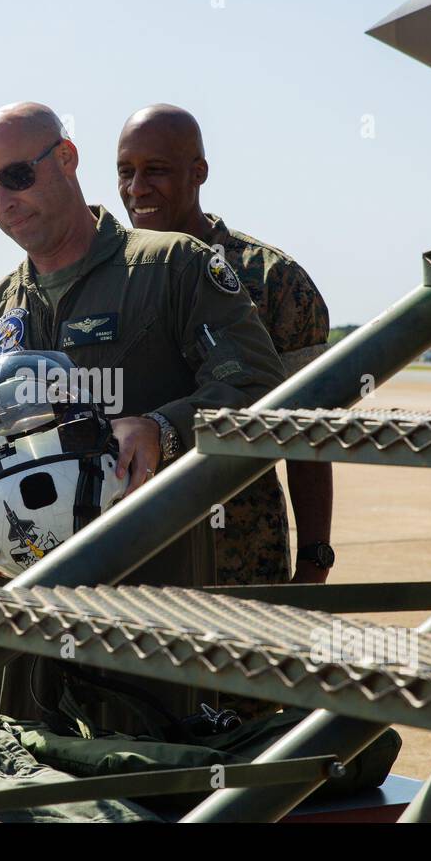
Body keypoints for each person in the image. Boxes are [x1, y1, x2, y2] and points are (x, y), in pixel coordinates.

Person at [0, 102, 287, 737]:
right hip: (28, 611)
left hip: (152, 609)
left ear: (66, 159)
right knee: (27, 783)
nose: (3, 202)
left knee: (153, 783)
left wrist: (164, 428)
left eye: (15, 176)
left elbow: (256, 386)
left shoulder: (173, 268)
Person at [117, 104, 334, 591]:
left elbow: (309, 436)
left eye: (156, 171)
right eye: (125, 172)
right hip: (124, 556)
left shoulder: (273, 280)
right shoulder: (107, 278)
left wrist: (315, 560)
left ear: (199, 172)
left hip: (239, 557)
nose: (136, 189)